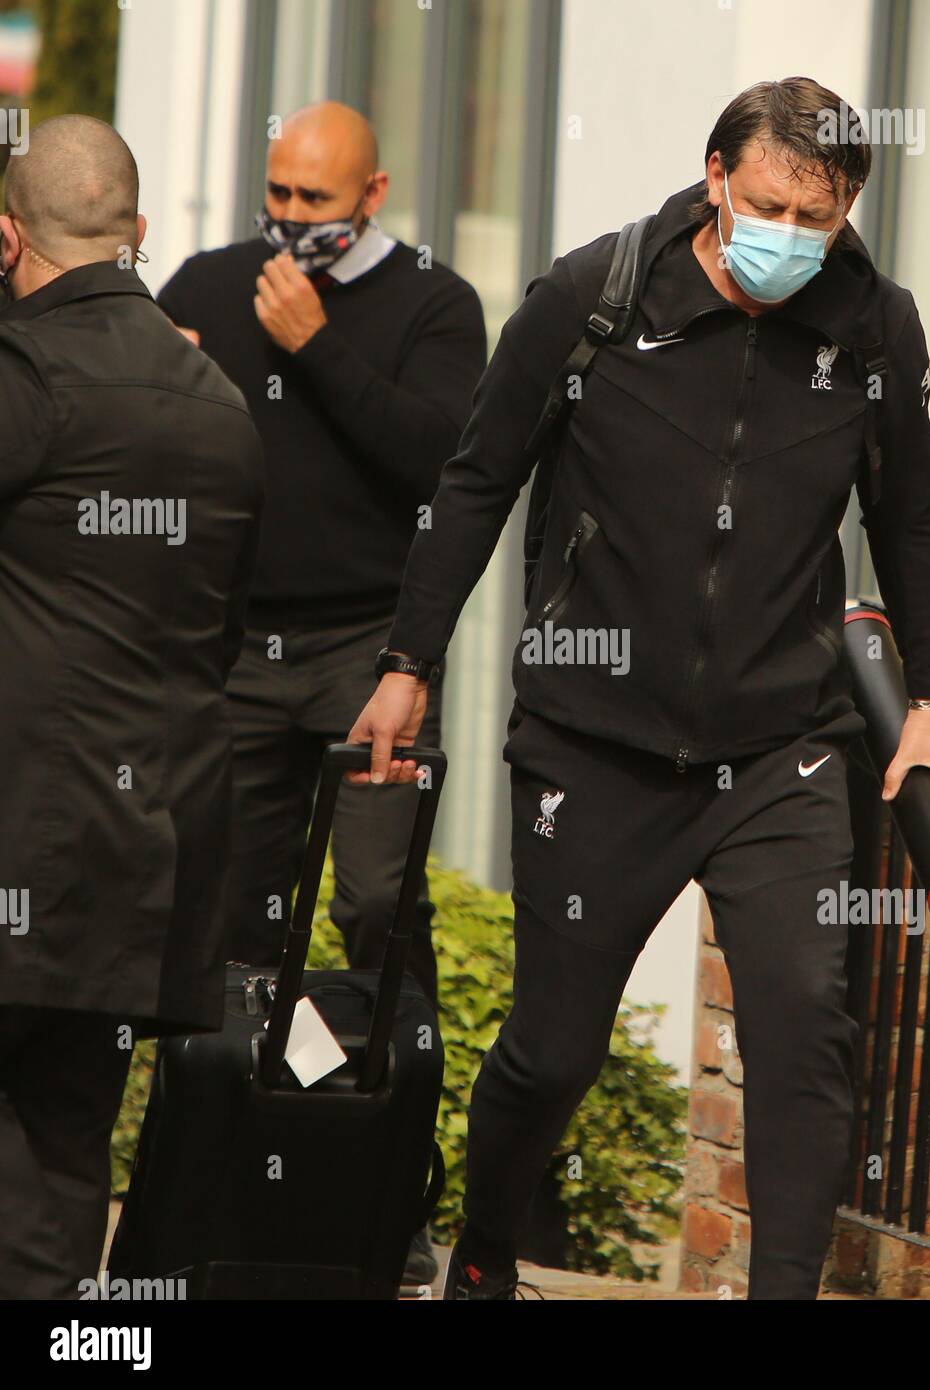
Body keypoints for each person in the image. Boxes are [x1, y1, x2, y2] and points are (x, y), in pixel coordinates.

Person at [348, 78, 930, 1301]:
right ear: (716, 175)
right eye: (777, 204)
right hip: (595, 746)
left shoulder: (873, 329)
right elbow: (476, 482)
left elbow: (909, 520)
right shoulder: (593, 298)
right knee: (552, 1052)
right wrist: (407, 663)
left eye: (825, 216)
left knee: (806, 1030)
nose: (795, 236)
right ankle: (483, 1253)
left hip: (784, 747)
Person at [157, 100, 485, 1289]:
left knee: (378, 908)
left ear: (374, 193)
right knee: (234, 923)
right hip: (238, 650)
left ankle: (392, 1186)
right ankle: (246, 1181)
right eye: (280, 196)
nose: (291, 222)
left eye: (318, 201)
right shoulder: (203, 281)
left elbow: (442, 464)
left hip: (368, 652)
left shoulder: (436, 307)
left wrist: (316, 348)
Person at [0, 115, 264, 1299]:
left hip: (21, 827)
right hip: (142, 859)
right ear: (139, 234)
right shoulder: (219, 401)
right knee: (59, 1167)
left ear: (7, 238)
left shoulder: (28, 376)